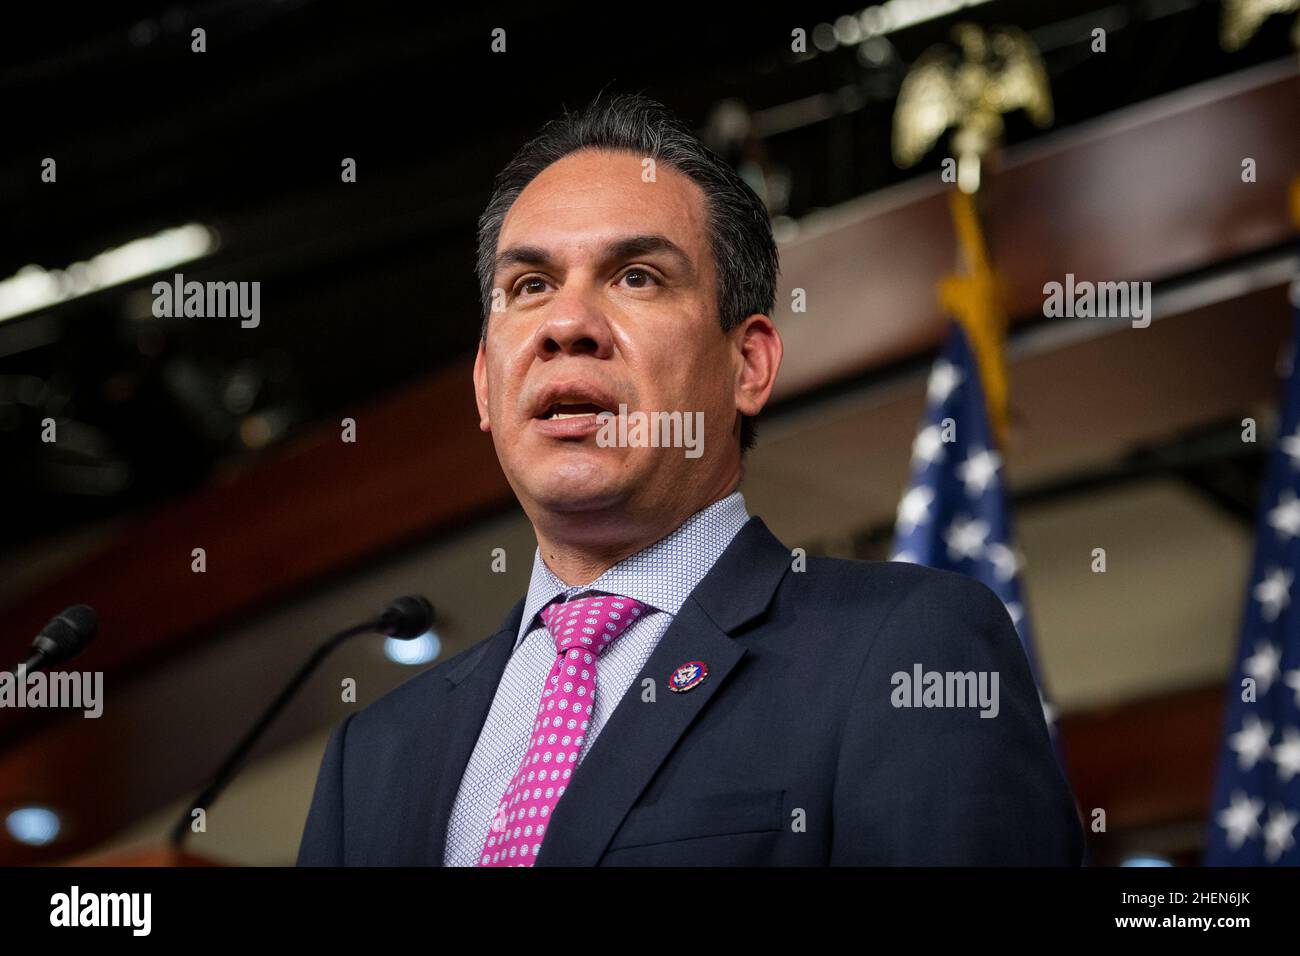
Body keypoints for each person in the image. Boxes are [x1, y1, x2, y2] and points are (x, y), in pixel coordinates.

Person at [297, 92, 1083, 866]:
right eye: (530, 286)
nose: (566, 325)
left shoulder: (910, 649)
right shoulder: (371, 756)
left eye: (636, 277)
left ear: (749, 364)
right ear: (482, 385)